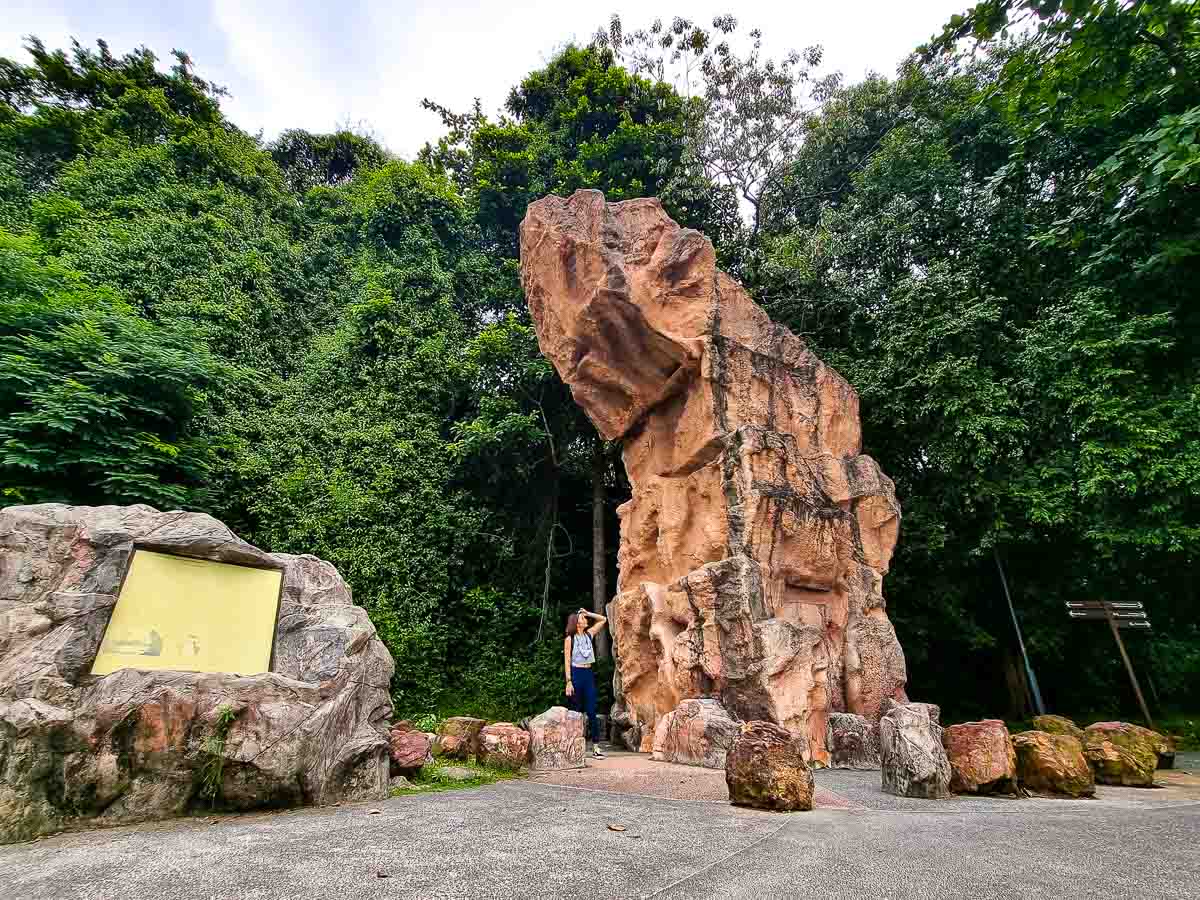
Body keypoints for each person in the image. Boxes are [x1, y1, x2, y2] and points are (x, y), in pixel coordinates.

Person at [564, 607, 607, 759]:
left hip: (588, 674)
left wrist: (588, 613)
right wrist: (569, 681)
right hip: (576, 674)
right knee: (575, 712)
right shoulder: (570, 639)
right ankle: (573, 747)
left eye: (585, 618)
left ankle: (596, 747)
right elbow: (567, 661)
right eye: (583, 618)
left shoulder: (589, 634)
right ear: (576, 622)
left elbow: (603, 619)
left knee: (592, 711)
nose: (586, 620)